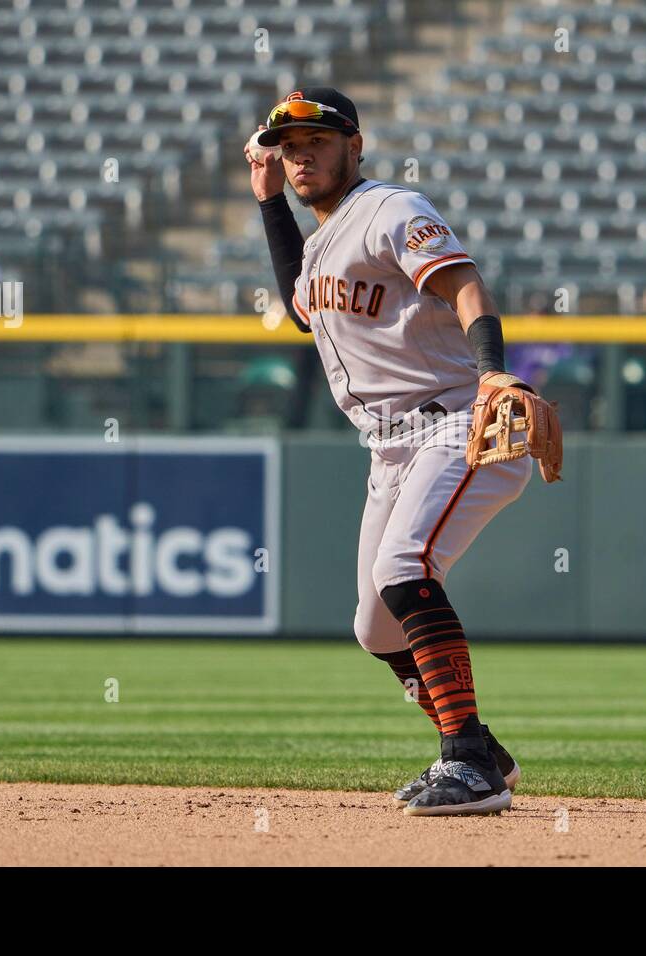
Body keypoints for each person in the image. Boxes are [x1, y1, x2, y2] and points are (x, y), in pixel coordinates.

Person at [246, 88, 559, 816]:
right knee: (375, 627)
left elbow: (465, 284)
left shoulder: (390, 209)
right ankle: (481, 747)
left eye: (316, 142)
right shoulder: (322, 238)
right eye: (288, 146)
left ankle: (467, 766)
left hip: (457, 421)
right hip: (389, 448)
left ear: (354, 146)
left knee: (403, 566)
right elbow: (303, 304)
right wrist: (268, 202)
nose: (301, 156)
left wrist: (493, 374)